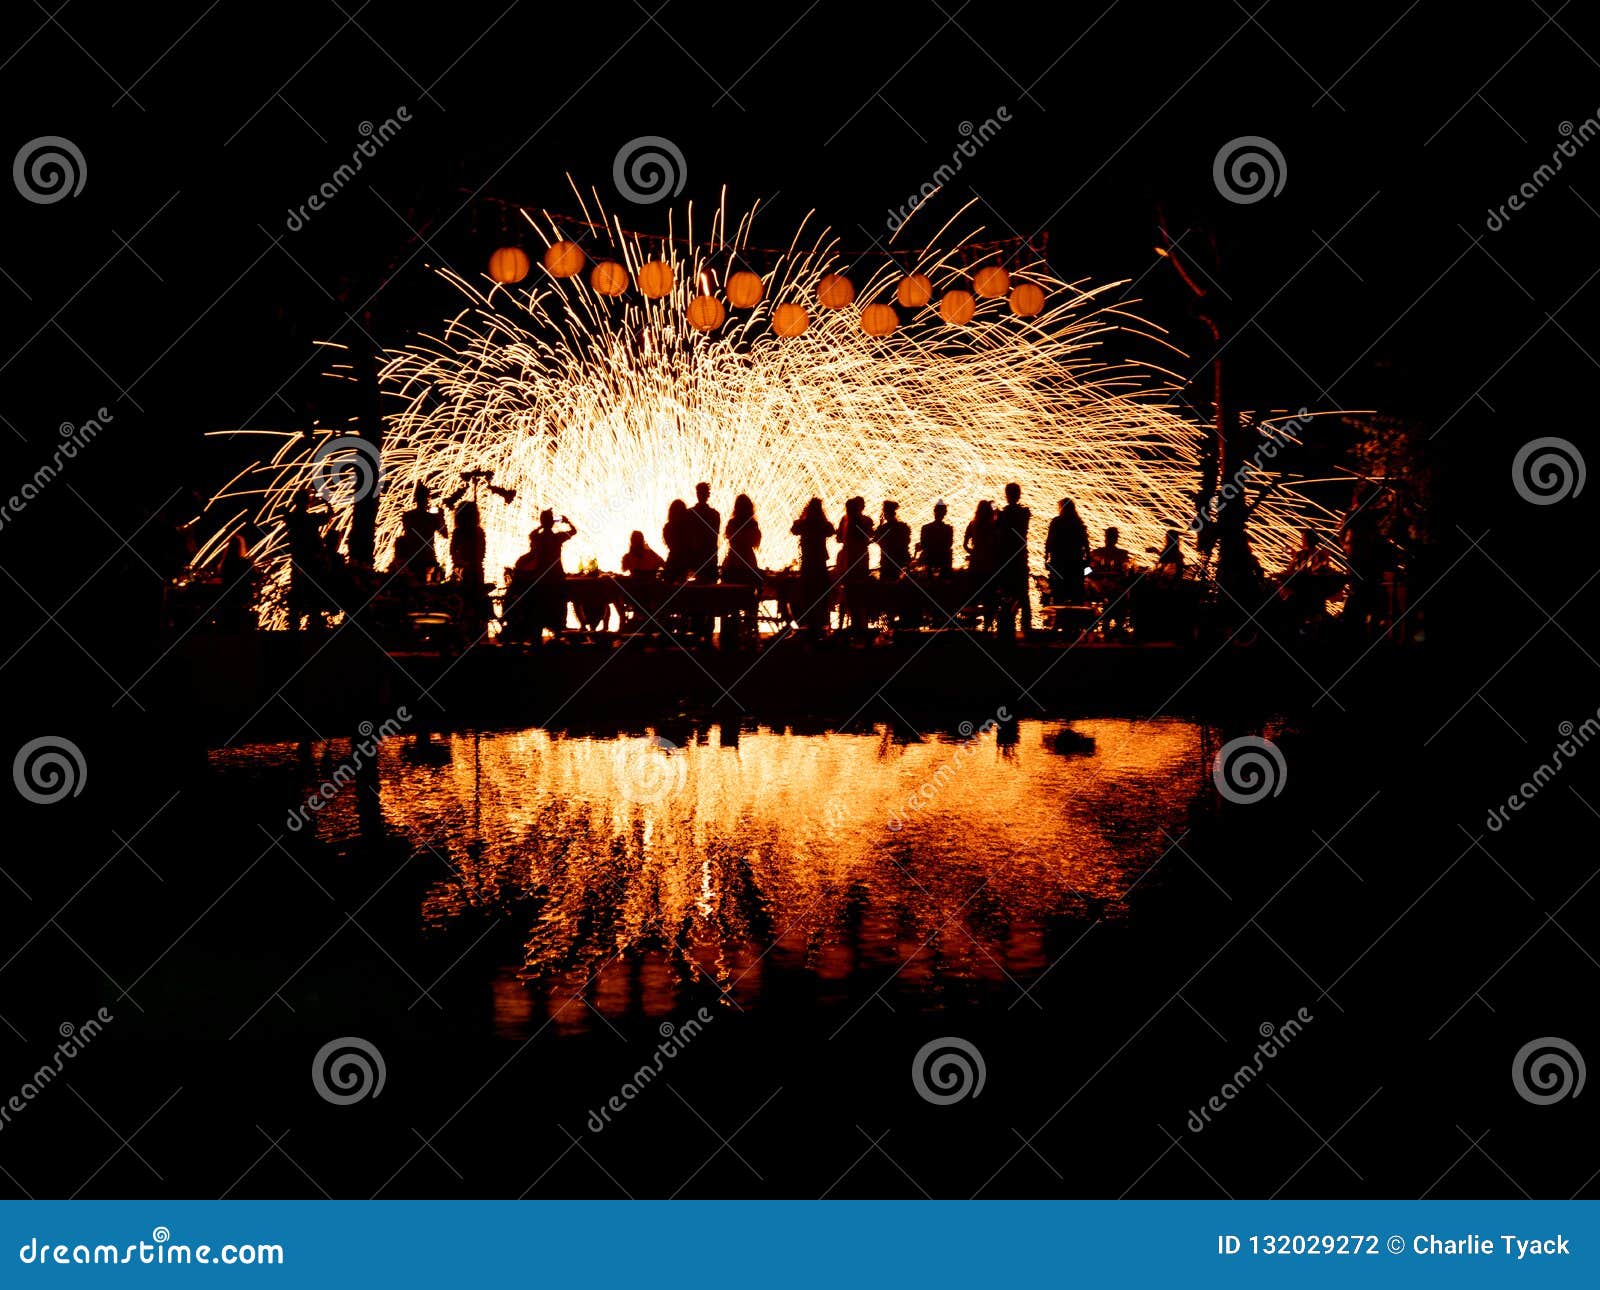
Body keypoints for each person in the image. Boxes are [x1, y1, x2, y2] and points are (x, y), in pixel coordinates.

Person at [507, 510, 577, 642]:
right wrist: (566, 521)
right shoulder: (557, 538)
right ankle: (558, 630)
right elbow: (574, 531)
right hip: (556, 576)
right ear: (552, 522)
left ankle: (538, 633)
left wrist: (542, 525)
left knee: (540, 606)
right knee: (558, 604)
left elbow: (531, 534)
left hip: (541, 577)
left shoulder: (537, 538)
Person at [721, 494, 762, 647]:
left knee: (731, 598)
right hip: (748, 563)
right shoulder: (752, 524)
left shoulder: (731, 523)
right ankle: (750, 628)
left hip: (732, 563)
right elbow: (756, 542)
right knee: (750, 596)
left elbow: (728, 538)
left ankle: (731, 630)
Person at [791, 498, 835, 639]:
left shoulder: (803, 524)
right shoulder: (823, 524)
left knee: (807, 593)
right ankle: (820, 624)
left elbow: (794, 529)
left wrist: (803, 516)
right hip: (820, 563)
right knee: (821, 594)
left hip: (808, 563)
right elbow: (831, 531)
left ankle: (809, 623)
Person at [392, 482, 448, 581]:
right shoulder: (430, 518)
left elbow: (407, 532)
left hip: (412, 558)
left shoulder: (408, 516)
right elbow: (445, 534)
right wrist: (440, 518)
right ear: (427, 499)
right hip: (426, 558)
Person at [997, 482, 1032, 635]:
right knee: (1023, 594)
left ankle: (1007, 626)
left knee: (1007, 595)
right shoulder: (1024, 513)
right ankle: (1026, 627)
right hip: (1020, 558)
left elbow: (1000, 533)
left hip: (1007, 559)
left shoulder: (1003, 514)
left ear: (1007, 495)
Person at [1044, 499, 1090, 616]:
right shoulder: (1078, 523)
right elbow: (1085, 543)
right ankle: (1076, 621)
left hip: (1059, 563)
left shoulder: (1056, 522)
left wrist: (1046, 558)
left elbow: (1049, 542)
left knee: (1059, 592)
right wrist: (1087, 561)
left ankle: (1059, 621)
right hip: (1076, 564)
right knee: (1076, 594)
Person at [835, 495, 873, 635]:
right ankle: (860, 625)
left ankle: (854, 624)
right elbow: (870, 537)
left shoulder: (845, 520)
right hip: (861, 559)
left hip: (848, 559)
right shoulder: (866, 521)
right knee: (859, 593)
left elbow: (838, 538)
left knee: (850, 592)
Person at [450, 500, 490, 630]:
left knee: (466, 600)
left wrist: (461, 563)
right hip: (468, 570)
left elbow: (453, 551)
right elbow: (482, 552)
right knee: (470, 600)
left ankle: (466, 626)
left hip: (466, 570)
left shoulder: (467, 532)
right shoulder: (475, 532)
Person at [964, 500, 999, 630]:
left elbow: (965, 544)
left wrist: (973, 552)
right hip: (989, 566)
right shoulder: (993, 526)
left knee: (973, 596)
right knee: (989, 597)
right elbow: (997, 545)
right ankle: (988, 626)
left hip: (975, 565)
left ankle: (971, 626)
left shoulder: (972, 524)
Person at [687, 482, 721, 582]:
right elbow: (715, 536)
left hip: (694, 559)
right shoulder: (714, 514)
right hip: (710, 559)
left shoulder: (689, 513)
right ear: (708, 495)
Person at [874, 501, 911, 579]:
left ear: (885, 513)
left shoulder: (883, 528)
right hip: (901, 562)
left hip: (887, 563)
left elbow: (876, 539)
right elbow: (907, 542)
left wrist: (880, 524)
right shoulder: (903, 527)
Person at [917, 501, 954, 578]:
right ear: (945, 514)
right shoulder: (948, 529)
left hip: (929, 561)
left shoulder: (925, 528)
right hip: (943, 561)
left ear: (934, 512)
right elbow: (949, 545)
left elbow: (923, 545)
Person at [662, 499, 691, 582]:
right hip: (683, 562)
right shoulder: (687, 528)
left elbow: (670, 544)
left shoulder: (667, 527)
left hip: (672, 561)